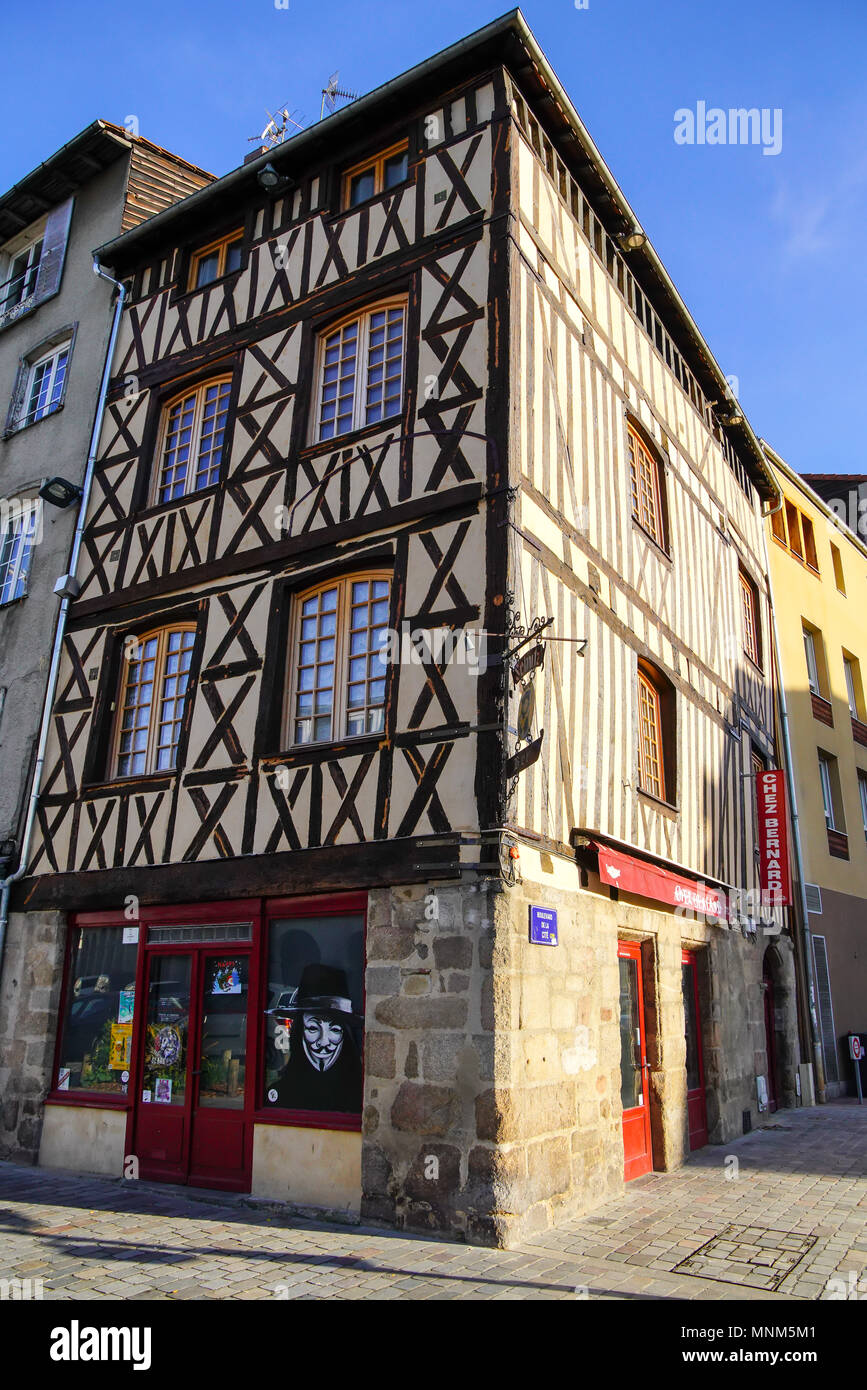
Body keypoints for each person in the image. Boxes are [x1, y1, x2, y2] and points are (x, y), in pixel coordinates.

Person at [271, 963, 362, 1113]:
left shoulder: (360, 1097)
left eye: (335, 1029)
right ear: (300, 1029)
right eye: (313, 1028)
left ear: (346, 1034)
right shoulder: (279, 1095)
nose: (323, 1042)